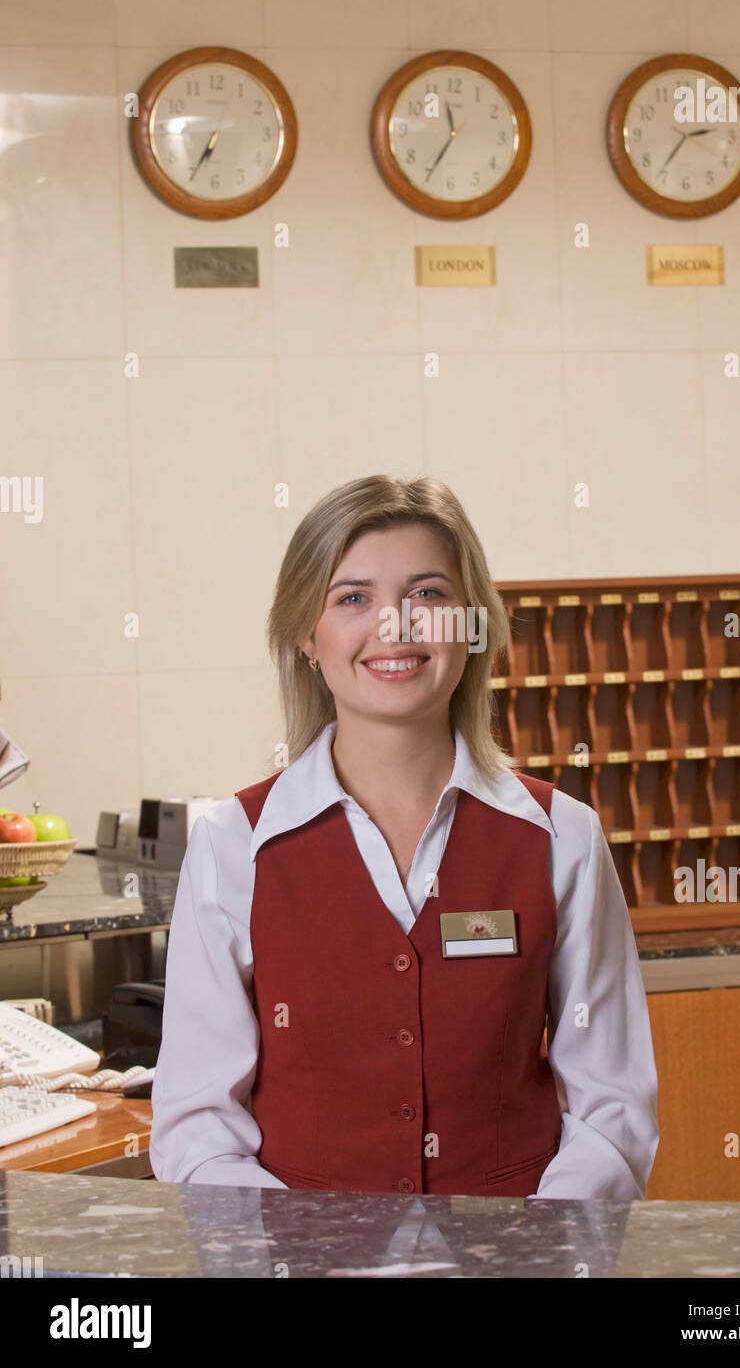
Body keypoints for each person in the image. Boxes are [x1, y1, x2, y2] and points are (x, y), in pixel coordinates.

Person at [149, 474, 659, 1198]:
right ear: (307, 635)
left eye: (428, 595)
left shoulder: (563, 838)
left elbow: (615, 1111)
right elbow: (198, 1127)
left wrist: (537, 1251)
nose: (396, 626)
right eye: (352, 598)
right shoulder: (233, 846)